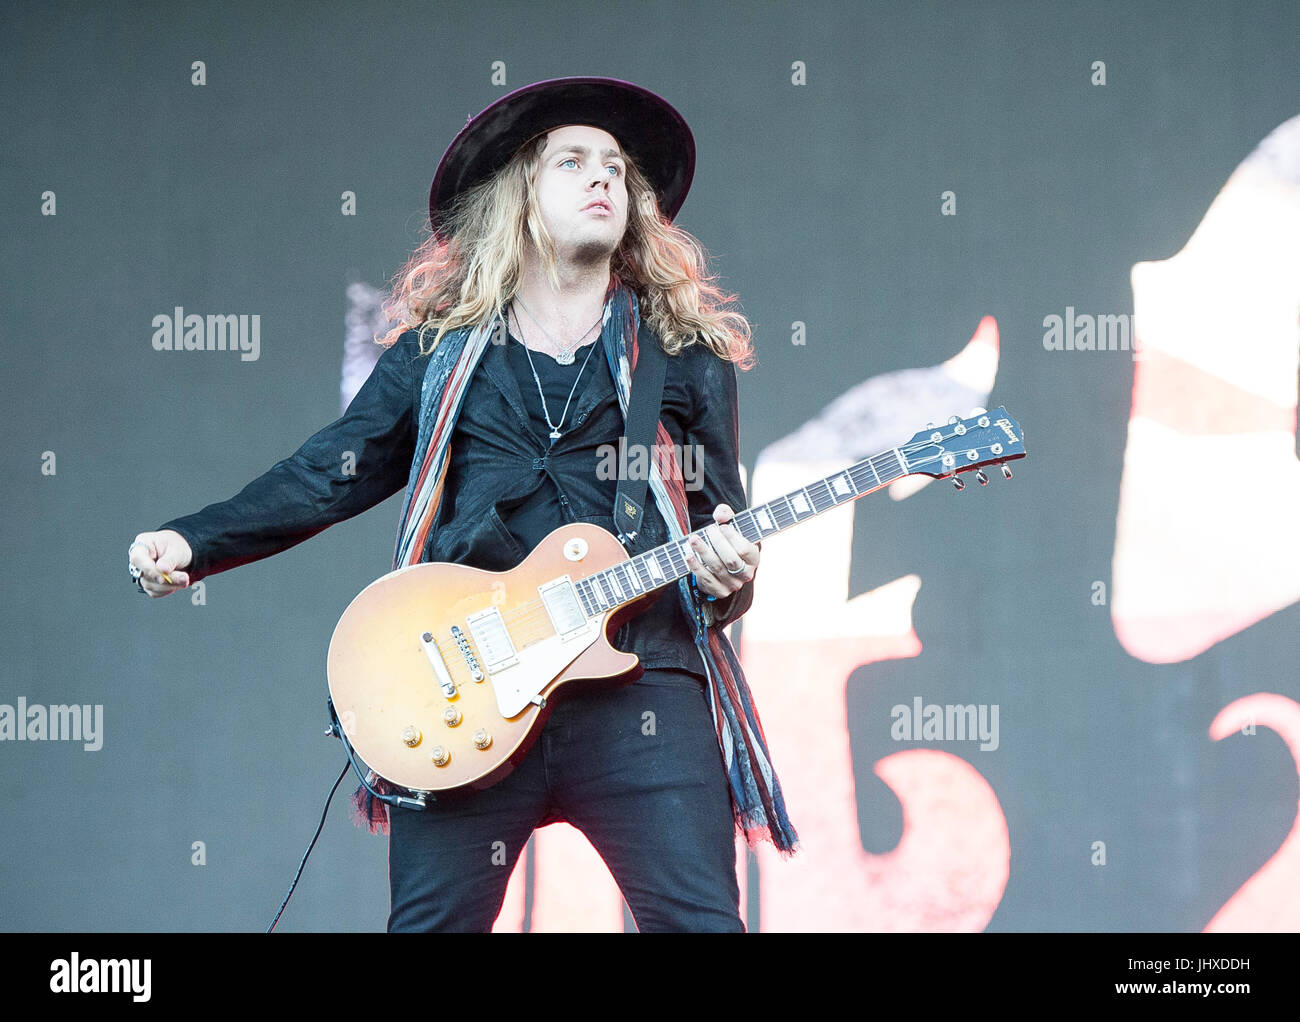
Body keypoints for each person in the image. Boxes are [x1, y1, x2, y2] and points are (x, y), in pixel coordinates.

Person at [128, 77, 796, 932]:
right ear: (518, 193)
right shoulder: (438, 354)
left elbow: (717, 529)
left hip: (642, 692)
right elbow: (329, 473)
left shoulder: (683, 354)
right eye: (574, 161)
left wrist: (731, 572)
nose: (605, 180)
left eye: (619, 169)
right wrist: (195, 542)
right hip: (467, 692)